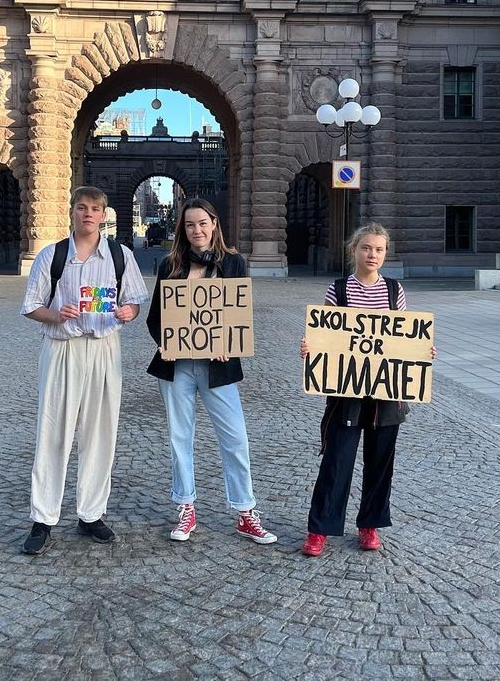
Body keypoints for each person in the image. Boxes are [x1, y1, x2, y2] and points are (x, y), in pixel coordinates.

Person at [19, 186, 149, 555]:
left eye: (95, 208)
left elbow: (132, 302)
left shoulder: (120, 256)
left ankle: (91, 513)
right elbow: (31, 306)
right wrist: (55, 314)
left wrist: (129, 313)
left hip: (105, 348)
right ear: (72, 212)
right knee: (54, 430)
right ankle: (43, 519)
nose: (88, 214)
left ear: (104, 214)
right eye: (81, 207)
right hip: (62, 347)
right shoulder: (53, 255)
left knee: (101, 431)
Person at [146, 198, 277, 545]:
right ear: (183, 229)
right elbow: (156, 317)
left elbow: (239, 314)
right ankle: (186, 506)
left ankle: (245, 510)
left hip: (218, 366)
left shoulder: (234, 263)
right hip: (177, 366)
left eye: (203, 223)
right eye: (190, 225)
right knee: (180, 438)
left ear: (214, 223)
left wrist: (228, 343)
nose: (197, 230)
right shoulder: (169, 265)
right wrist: (165, 341)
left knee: (235, 439)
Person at [299, 224, 433, 557]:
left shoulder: (393, 291)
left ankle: (369, 525)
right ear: (353, 250)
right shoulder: (339, 289)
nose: (372, 255)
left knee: (379, 462)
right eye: (366, 248)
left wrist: (422, 350)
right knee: (336, 460)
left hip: (387, 391)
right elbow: (326, 335)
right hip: (347, 390)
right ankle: (320, 529)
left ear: (385, 254)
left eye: (379, 249)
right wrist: (310, 347)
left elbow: (403, 337)